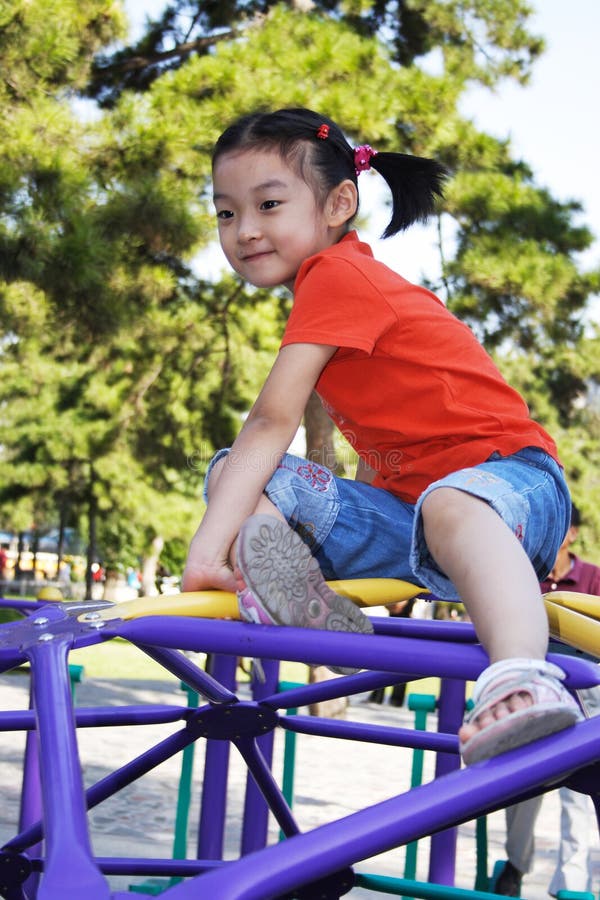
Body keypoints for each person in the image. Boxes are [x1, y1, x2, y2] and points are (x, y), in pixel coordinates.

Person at [182, 106, 582, 765]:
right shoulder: (323, 290)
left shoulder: (338, 275)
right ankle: (295, 591)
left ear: (340, 202)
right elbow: (379, 450)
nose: (244, 230)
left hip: (514, 485)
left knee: (450, 501)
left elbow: (270, 420)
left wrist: (206, 549)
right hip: (413, 518)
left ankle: (521, 674)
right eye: (226, 212)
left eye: (269, 204)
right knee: (235, 470)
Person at [495, 503, 600, 896]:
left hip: (587, 688)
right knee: (522, 782)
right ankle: (516, 863)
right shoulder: (525, 575)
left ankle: (571, 883)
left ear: (571, 534)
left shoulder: (592, 577)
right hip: (535, 683)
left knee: (582, 785)